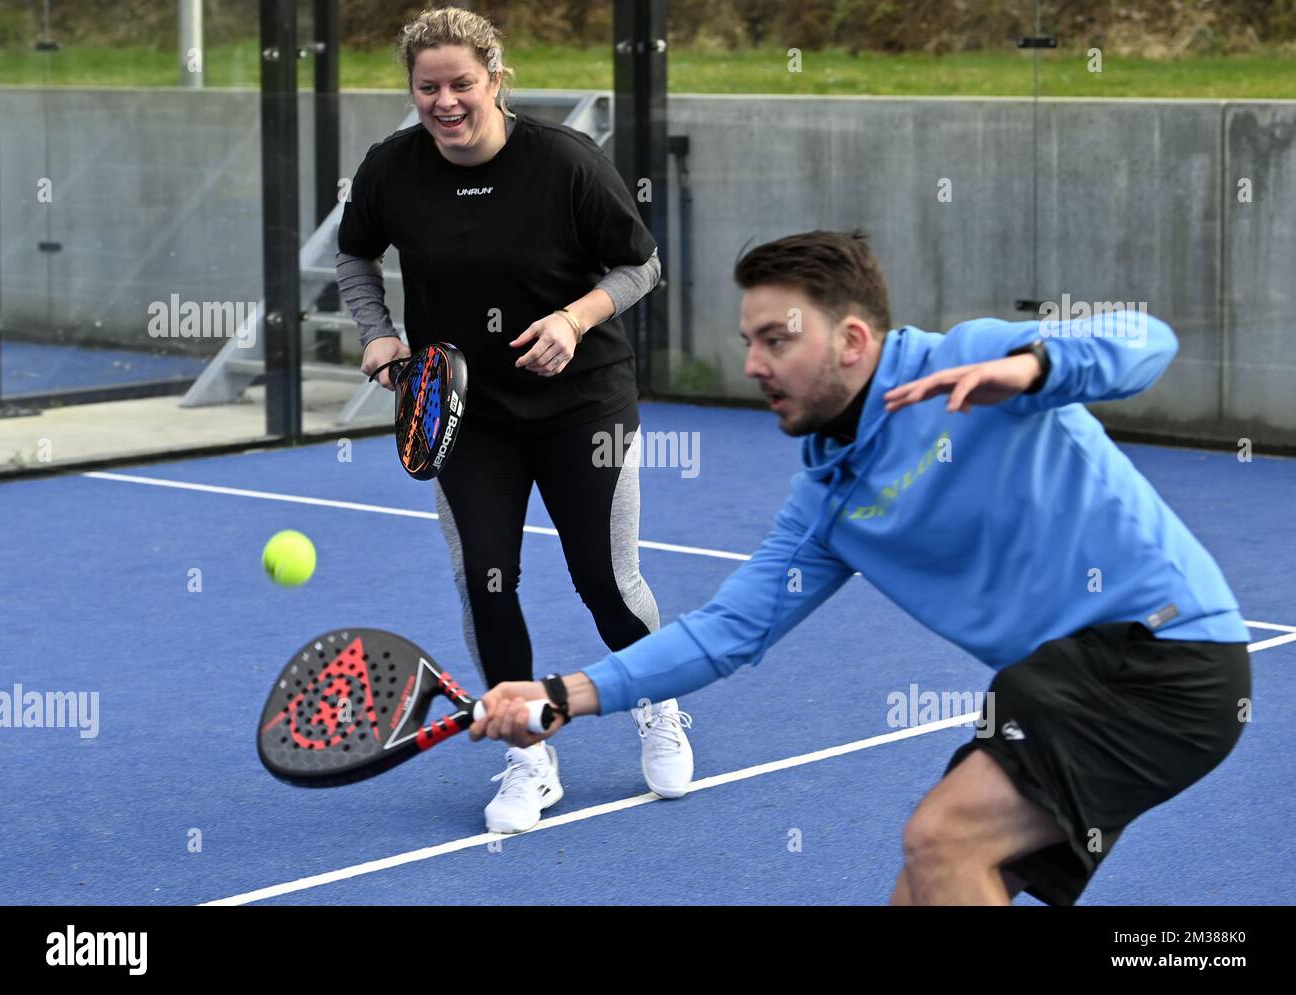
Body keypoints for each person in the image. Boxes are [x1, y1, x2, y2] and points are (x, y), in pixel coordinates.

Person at [470, 228, 1251, 905]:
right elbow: (727, 631)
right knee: (925, 880)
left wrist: (1039, 365)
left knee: (944, 838)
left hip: (1160, 652)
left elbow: (1151, 342)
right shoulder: (829, 499)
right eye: (749, 341)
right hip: (1062, 677)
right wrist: (565, 694)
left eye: (775, 338)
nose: (751, 364)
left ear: (849, 339)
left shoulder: (974, 360)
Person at [335, 6, 693, 834]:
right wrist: (379, 333)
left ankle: (658, 704)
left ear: (497, 79)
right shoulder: (391, 168)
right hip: (463, 413)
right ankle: (529, 752)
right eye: (429, 88)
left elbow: (641, 264)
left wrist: (572, 319)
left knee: (606, 580)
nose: (446, 101)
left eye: (463, 83)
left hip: (583, 405)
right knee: (486, 581)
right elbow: (357, 252)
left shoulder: (566, 162)